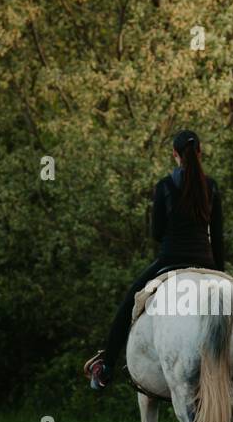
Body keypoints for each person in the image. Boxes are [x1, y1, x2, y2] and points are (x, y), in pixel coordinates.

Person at [84, 130, 224, 390]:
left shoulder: (165, 186)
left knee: (128, 303)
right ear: (200, 152)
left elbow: (156, 233)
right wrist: (221, 273)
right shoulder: (212, 186)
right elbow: (217, 237)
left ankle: (105, 366)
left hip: (170, 260)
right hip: (207, 263)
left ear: (175, 155)